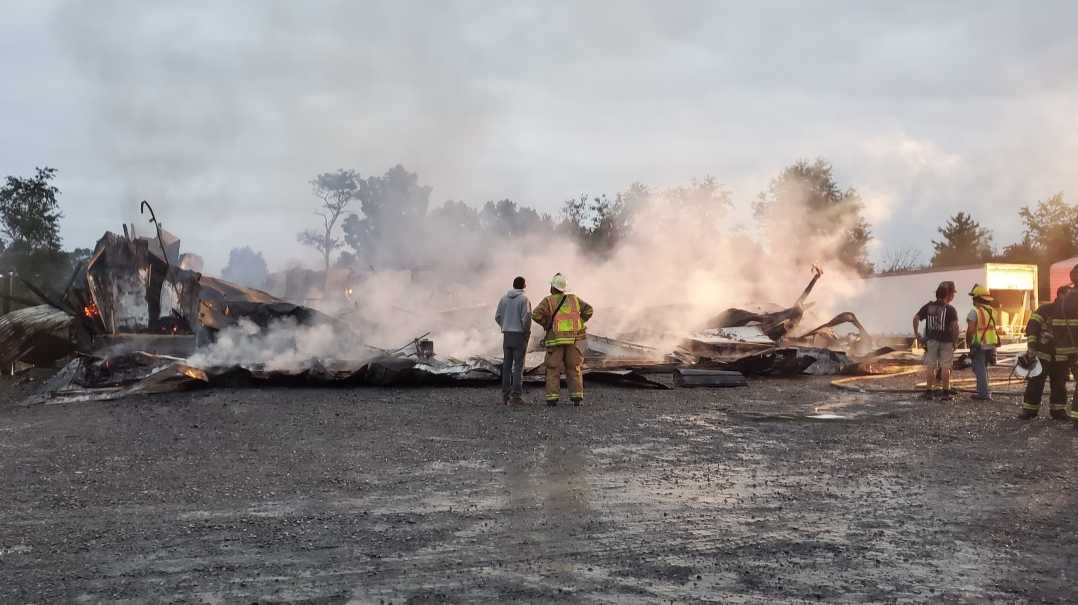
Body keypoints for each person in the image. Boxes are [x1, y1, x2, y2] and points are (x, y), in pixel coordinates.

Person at [531, 273, 593, 406]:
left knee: (553, 369)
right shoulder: (574, 299)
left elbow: (535, 314)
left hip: (555, 340)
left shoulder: (548, 301)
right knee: (574, 368)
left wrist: (546, 323)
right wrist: (579, 322)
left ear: (553, 287)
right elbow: (589, 310)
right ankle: (577, 398)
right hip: (573, 340)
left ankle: (552, 399)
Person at [1020, 284, 1074, 419]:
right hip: (1042, 354)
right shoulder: (1045, 309)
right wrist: (1032, 346)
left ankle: (1058, 411)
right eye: (1069, 296)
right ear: (1060, 295)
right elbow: (1032, 328)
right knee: (1036, 382)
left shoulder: (1072, 312)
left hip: (1061, 356)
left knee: (1059, 384)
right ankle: (1030, 410)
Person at [913, 281, 959, 400]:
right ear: (948, 294)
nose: (953, 296)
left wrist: (917, 334)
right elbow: (955, 327)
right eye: (952, 293)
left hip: (931, 341)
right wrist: (955, 341)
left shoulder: (928, 307)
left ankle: (929, 392)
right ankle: (945, 393)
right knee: (945, 367)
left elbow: (916, 318)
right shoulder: (950, 310)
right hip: (947, 342)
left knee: (930, 366)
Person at [495, 276, 532, 405]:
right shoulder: (524, 299)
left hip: (507, 335)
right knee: (518, 367)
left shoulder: (504, 298)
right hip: (519, 335)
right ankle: (516, 397)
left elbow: (498, 316)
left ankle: (505, 397)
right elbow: (526, 318)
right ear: (523, 285)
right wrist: (525, 331)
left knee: (506, 366)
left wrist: (504, 325)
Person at [965, 284, 1000, 401]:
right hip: (991, 344)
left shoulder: (974, 311)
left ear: (976, 298)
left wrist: (968, 342)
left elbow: (970, 330)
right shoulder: (992, 311)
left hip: (979, 344)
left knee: (979, 368)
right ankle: (984, 391)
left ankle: (983, 394)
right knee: (984, 368)